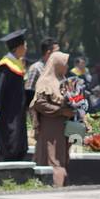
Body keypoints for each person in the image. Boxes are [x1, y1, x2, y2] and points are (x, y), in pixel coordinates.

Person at [30, 51, 76, 187]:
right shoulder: (45, 81)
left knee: (62, 156)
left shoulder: (64, 81)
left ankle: (62, 183)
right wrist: (61, 111)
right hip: (51, 127)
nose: (67, 67)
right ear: (57, 64)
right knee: (51, 156)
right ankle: (52, 184)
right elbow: (39, 104)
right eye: (65, 63)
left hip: (64, 127)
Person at [0, 28, 30, 161]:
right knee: (10, 148)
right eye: (25, 45)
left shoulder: (16, 65)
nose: (26, 47)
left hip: (17, 116)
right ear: (19, 47)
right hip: (8, 119)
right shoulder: (5, 67)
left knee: (19, 148)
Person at [23, 37, 59, 110]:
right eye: (57, 52)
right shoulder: (36, 68)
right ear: (48, 53)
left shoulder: (56, 69)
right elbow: (29, 94)